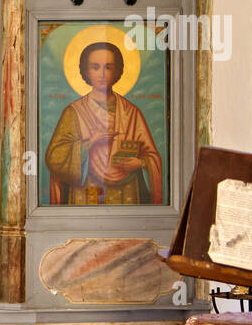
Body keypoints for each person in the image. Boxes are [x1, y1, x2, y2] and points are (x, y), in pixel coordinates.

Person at [44, 41, 163, 205]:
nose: (102, 74)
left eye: (108, 67)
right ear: (86, 71)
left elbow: (152, 156)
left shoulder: (131, 112)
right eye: (95, 67)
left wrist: (140, 163)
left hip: (126, 192)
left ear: (117, 71)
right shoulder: (74, 112)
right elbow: (54, 158)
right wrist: (90, 143)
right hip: (86, 190)